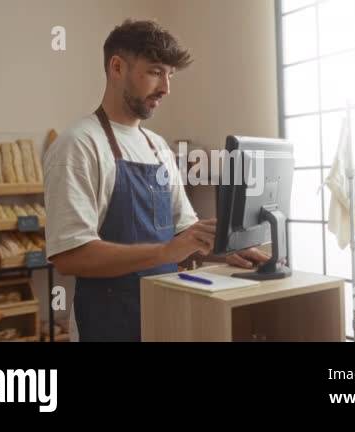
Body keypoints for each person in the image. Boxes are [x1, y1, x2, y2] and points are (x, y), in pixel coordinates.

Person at [43, 19, 269, 342]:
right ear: (117, 67)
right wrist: (167, 251)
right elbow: (69, 256)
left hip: (166, 319)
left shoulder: (158, 146)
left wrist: (227, 249)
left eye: (169, 75)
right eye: (155, 72)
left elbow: (184, 231)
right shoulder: (79, 144)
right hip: (107, 328)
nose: (165, 88)